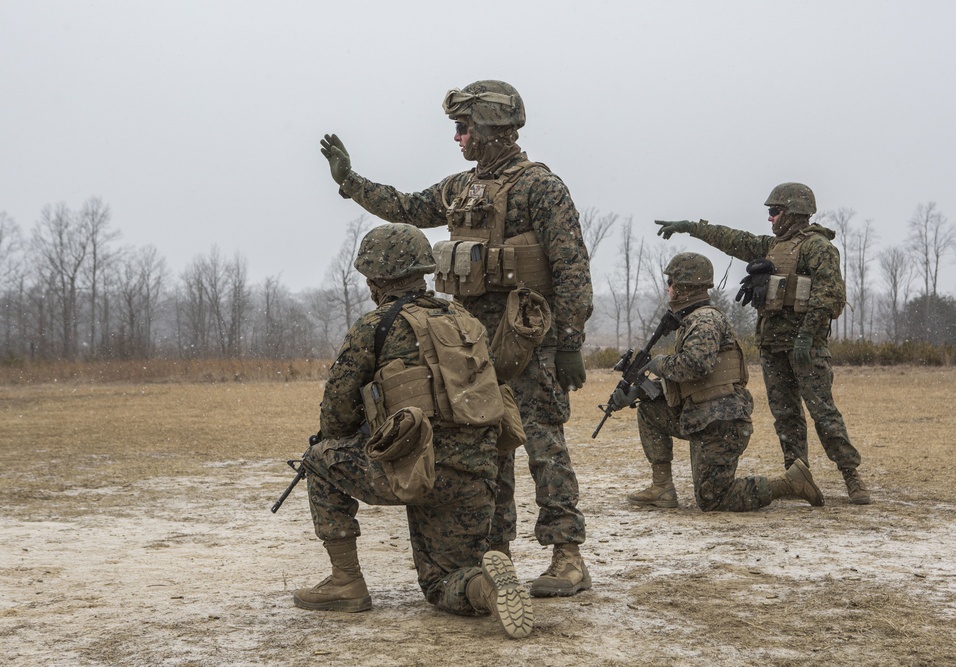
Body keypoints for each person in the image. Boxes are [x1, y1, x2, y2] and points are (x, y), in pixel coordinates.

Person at [318, 80, 594, 597]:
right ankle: (496, 556)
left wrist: (571, 340)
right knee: (488, 444)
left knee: (543, 443)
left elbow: (571, 267)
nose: (458, 138)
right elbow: (405, 206)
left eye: (464, 128)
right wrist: (350, 181)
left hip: (529, 339)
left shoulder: (541, 187)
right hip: (470, 346)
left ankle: (567, 556)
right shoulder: (460, 188)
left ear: (492, 128)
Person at [294, 223, 533, 639]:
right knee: (445, 580)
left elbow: (335, 417)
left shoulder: (375, 326)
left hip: (414, 469)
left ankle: (346, 581)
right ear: (420, 270)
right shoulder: (464, 319)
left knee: (318, 459)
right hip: (476, 474)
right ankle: (486, 588)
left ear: (374, 280)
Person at [655, 183, 872, 505]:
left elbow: (830, 296)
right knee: (785, 416)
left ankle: (851, 474)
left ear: (794, 212)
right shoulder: (773, 247)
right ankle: (796, 474)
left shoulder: (818, 247)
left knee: (822, 412)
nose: (770, 219)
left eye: (775, 212)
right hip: (773, 345)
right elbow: (732, 239)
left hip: (805, 347)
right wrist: (691, 228)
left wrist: (806, 336)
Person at [610, 252, 824, 512]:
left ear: (684, 288)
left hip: (722, 422)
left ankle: (791, 483)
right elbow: (690, 383)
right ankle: (662, 487)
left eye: (672, 282)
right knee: (649, 410)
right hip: (702, 416)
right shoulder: (691, 320)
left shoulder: (704, 320)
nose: (668, 288)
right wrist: (639, 393)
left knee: (714, 500)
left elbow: (697, 365)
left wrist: (659, 364)